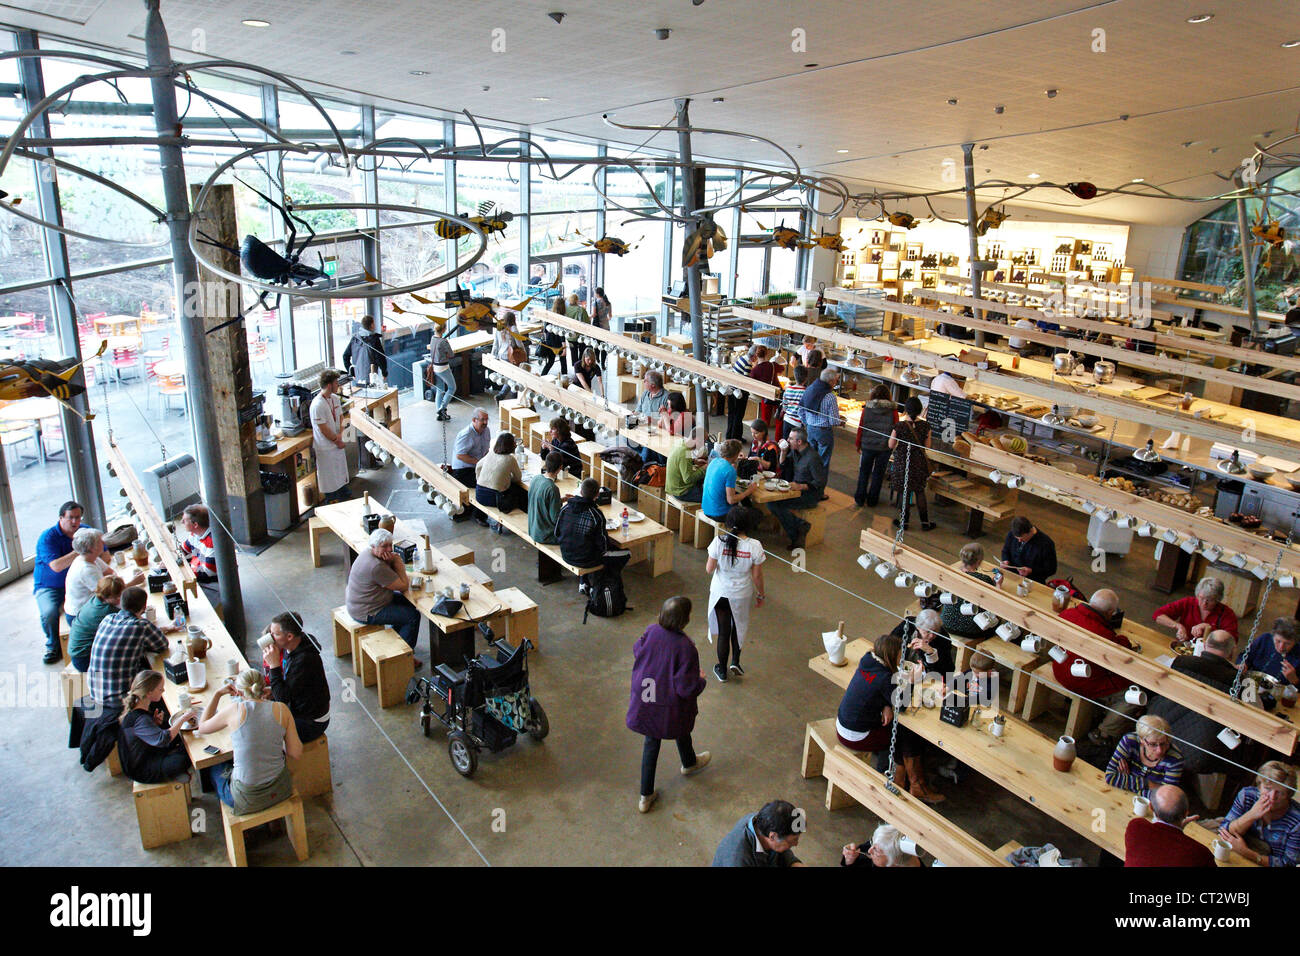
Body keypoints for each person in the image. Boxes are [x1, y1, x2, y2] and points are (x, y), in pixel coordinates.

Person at [626, 596, 710, 813]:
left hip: (646, 701)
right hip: (669, 706)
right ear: (685, 620)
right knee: (680, 727)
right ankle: (689, 764)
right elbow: (685, 688)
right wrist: (700, 679)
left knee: (651, 743)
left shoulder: (651, 631)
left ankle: (645, 796)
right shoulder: (686, 647)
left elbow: (638, 650)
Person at [196, 668, 302, 816]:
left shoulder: (234, 710)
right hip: (280, 788)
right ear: (264, 688)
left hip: (246, 798)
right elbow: (295, 753)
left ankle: (243, 823)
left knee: (213, 767)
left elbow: (202, 727)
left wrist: (218, 694)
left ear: (238, 692)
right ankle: (273, 822)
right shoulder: (281, 709)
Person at [1146, 629, 1238, 774]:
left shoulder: (1180, 661)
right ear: (1232, 652)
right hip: (1197, 753)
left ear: (1205, 645)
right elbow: (1258, 710)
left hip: (1153, 732)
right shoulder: (1238, 681)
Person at [1054, 588, 1138, 743]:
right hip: (1081, 680)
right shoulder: (1104, 635)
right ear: (1111, 612)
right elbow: (1118, 655)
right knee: (1131, 695)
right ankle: (1103, 732)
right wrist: (1124, 641)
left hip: (1059, 668)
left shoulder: (1067, 614)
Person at [345, 528, 423, 668]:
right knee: (412, 616)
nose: (388, 549)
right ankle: (404, 658)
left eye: (389, 545)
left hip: (364, 601)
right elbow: (403, 585)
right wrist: (398, 562)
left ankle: (397, 641)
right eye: (384, 546)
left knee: (409, 604)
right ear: (374, 546)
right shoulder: (376, 566)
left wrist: (391, 563)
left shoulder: (368, 554)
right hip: (368, 611)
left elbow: (391, 578)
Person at [87, 586, 174, 709]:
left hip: (95, 693)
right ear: (143, 608)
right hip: (119, 700)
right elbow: (162, 645)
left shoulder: (107, 619)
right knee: (157, 686)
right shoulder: (140, 625)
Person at [706, 506, 765, 682]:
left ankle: (722, 671)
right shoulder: (755, 546)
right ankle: (736, 662)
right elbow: (757, 576)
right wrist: (761, 594)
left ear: (728, 523)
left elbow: (709, 569)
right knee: (739, 627)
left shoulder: (718, 542)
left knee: (724, 631)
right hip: (742, 594)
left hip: (721, 593)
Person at [262, 611, 331, 744]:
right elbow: (292, 686)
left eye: (275, 634)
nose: (271, 638)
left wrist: (274, 666)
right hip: (302, 708)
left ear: (289, 636)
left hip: (312, 722)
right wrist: (273, 689)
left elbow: (283, 698)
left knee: (265, 734)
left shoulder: (304, 660)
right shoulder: (294, 646)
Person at [118, 670, 194, 784]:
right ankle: (174, 772)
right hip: (142, 770)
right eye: (160, 689)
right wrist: (182, 718)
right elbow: (163, 739)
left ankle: (174, 769)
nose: (163, 691)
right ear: (149, 693)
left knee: (180, 738)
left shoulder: (138, 710)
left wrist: (154, 723)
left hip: (149, 753)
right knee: (188, 754)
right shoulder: (140, 719)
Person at [1218, 761, 1300, 867]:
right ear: (1259, 786)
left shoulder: (1297, 821)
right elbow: (1224, 831)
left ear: (1289, 795)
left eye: (1280, 792)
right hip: (1239, 843)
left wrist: (1247, 853)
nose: (1272, 797)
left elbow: (1288, 864)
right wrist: (1251, 814)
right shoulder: (1247, 795)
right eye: (1268, 789)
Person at [555, 477, 631, 591]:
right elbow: (603, 547)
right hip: (586, 559)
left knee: (584, 542)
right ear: (597, 496)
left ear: (580, 492)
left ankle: (584, 582)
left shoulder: (565, 508)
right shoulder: (596, 515)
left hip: (566, 554)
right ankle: (600, 584)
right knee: (626, 553)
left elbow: (556, 533)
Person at [34, 500, 83, 664]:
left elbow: (103, 553)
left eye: (78, 517)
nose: (75, 522)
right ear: (61, 518)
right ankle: (53, 646)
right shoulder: (47, 538)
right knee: (49, 613)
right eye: (71, 518)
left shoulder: (84, 531)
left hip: (76, 581)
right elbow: (56, 566)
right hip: (50, 587)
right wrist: (80, 551)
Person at [1123, 785, 1216, 867]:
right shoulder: (1201, 853)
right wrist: (1177, 830)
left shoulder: (1136, 827)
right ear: (1186, 813)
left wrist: (1175, 830)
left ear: (1151, 807)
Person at [768, 427, 827, 551]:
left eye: (790, 438)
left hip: (809, 495)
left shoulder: (813, 458)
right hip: (795, 489)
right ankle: (799, 525)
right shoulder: (795, 451)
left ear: (799, 442)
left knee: (775, 504)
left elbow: (820, 482)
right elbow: (784, 465)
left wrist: (801, 486)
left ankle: (797, 534)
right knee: (771, 502)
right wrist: (783, 452)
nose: (788, 440)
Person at [65, 527, 139, 620]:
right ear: (91, 548)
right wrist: (133, 582)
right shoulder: (86, 569)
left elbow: (111, 572)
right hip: (80, 614)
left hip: (96, 603)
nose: (103, 543)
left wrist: (117, 584)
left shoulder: (92, 558)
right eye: (100, 541)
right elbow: (109, 594)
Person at [1104, 715, 1185, 798]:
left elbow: (1165, 797)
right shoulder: (1129, 741)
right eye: (1153, 744)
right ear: (1141, 740)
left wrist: (1128, 781)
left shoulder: (1175, 759)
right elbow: (1110, 777)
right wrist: (1148, 784)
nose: (1159, 750)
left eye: (1163, 743)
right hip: (1121, 795)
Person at [712, 799, 804, 867]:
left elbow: (780, 849)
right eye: (793, 840)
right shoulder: (738, 859)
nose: (796, 844)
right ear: (773, 837)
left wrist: (793, 862)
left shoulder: (764, 821)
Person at [889, 396, 934, 531]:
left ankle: (904, 523)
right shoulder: (926, 426)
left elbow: (890, 445)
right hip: (919, 463)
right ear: (920, 410)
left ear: (906, 410)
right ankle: (925, 523)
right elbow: (927, 446)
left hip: (903, 462)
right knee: (919, 491)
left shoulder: (899, 426)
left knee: (905, 491)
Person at [1153, 576, 1239, 642]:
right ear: (1197, 594)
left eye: (1210, 600)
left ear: (1218, 599)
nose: (1204, 603)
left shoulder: (1227, 614)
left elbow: (1232, 640)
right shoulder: (1188, 603)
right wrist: (1178, 626)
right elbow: (1158, 615)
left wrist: (1208, 628)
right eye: (1201, 598)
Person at [941, 543, 998, 639]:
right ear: (979, 561)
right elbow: (995, 601)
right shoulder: (983, 579)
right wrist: (998, 585)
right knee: (996, 622)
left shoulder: (952, 574)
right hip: (972, 630)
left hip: (947, 623)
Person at [68, 575, 124, 672]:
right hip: (84, 659)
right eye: (117, 597)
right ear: (109, 596)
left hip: (77, 652)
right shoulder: (107, 612)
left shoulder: (95, 599)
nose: (119, 599)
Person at [311, 369, 350, 504]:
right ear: (329, 385)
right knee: (329, 478)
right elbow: (323, 429)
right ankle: (332, 499)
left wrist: (341, 435)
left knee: (340, 473)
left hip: (337, 442)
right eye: (336, 382)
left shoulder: (334, 398)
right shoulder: (317, 405)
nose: (338, 385)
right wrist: (336, 440)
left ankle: (344, 494)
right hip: (326, 447)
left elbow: (340, 417)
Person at [854, 384, 897, 508]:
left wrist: (858, 443)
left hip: (868, 445)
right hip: (884, 447)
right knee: (878, 474)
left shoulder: (867, 408)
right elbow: (895, 428)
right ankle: (872, 500)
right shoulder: (893, 410)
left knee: (864, 472)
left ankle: (859, 498)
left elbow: (861, 427)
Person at [475, 432, 527, 520]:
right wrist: (508, 478)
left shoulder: (490, 454)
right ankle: (525, 517)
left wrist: (479, 479)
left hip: (479, 494)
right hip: (495, 498)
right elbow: (518, 478)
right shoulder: (510, 459)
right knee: (522, 492)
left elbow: (478, 466)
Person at [701, 439, 754, 522]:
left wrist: (735, 463)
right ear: (735, 455)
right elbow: (731, 500)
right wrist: (748, 491)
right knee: (754, 514)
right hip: (719, 514)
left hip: (706, 508)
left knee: (739, 495)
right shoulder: (730, 470)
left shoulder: (714, 461)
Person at [800, 367, 843, 469]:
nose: (835, 384)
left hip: (810, 428)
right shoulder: (830, 396)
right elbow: (833, 421)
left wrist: (807, 423)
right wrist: (841, 421)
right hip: (823, 432)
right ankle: (819, 483)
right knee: (822, 462)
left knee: (810, 458)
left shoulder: (810, 389)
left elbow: (801, 410)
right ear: (831, 381)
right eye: (835, 381)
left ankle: (809, 481)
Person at [1238, 618, 1300, 686]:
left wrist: (1295, 680)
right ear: (1273, 636)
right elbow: (1244, 656)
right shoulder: (1265, 639)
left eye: (1287, 643)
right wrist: (1242, 664)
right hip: (1250, 685)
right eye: (1278, 641)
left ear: (1295, 642)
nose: (1281, 647)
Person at [1000, 515, 1057, 583]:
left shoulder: (1046, 544)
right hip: (1011, 575)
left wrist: (1032, 571)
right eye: (1017, 538)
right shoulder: (1012, 534)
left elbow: (1051, 569)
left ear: (1030, 531)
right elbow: (1005, 550)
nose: (1019, 541)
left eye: (1022, 538)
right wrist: (1005, 560)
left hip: (1031, 580)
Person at [841, 824, 923, 868]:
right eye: (872, 841)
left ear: (894, 862)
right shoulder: (880, 846)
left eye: (876, 850)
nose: (869, 850)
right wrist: (849, 859)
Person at [527, 452, 564, 544]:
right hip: (545, 535)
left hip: (532, 529)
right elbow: (555, 519)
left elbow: (543, 502)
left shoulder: (536, 479)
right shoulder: (552, 488)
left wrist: (561, 500)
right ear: (560, 468)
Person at [450, 409, 491, 489]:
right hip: (463, 471)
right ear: (474, 420)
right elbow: (460, 455)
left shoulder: (486, 430)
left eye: (487, 419)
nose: (485, 422)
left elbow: (486, 450)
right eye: (482, 420)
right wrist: (479, 462)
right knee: (488, 481)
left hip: (477, 467)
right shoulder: (466, 434)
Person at [342, 315, 387, 386]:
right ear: (372, 325)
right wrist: (384, 373)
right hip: (371, 378)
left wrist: (352, 372)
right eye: (374, 323)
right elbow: (380, 358)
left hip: (358, 378)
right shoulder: (374, 340)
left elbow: (345, 356)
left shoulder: (355, 339)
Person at [665, 432, 708, 503]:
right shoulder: (684, 452)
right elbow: (688, 479)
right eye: (703, 442)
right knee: (713, 499)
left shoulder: (681, 443)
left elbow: (680, 460)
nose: (702, 445)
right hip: (681, 492)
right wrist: (703, 468)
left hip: (672, 487)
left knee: (702, 482)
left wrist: (694, 461)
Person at [427, 325, 456, 421]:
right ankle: (442, 409)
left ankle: (439, 413)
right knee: (452, 387)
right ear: (444, 329)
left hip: (435, 367)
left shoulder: (432, 339)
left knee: (439, 389)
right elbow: (451, 354)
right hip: (443, 367)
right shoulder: (444, 341)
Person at [750, 345, 778, 425]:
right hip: (775, 393)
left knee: (765, 420)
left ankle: (764, 435)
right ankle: (778, 437)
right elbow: (781, 368)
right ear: (767, 354)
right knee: (779, 419)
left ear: (756, 355)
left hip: (764, 395)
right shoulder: (773, 365)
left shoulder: (755, 370)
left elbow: (752, 382)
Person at [778, 365, 807, 443]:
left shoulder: (788, 390)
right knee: (796, 445)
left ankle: (784, 454)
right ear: (806, 378)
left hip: (787, 419)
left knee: (785, 443)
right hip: (798, 423)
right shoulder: (806, 392)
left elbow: (784, 407)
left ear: (794, 376)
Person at [565, 293, 590, 367]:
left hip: (570, 336)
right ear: (577, 300)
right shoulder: (581, 310)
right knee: (582, 351)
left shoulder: (566, 310)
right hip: (580, 335)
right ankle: (581, 366)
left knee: (573, 352)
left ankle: (575, 367)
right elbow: (587, 322)